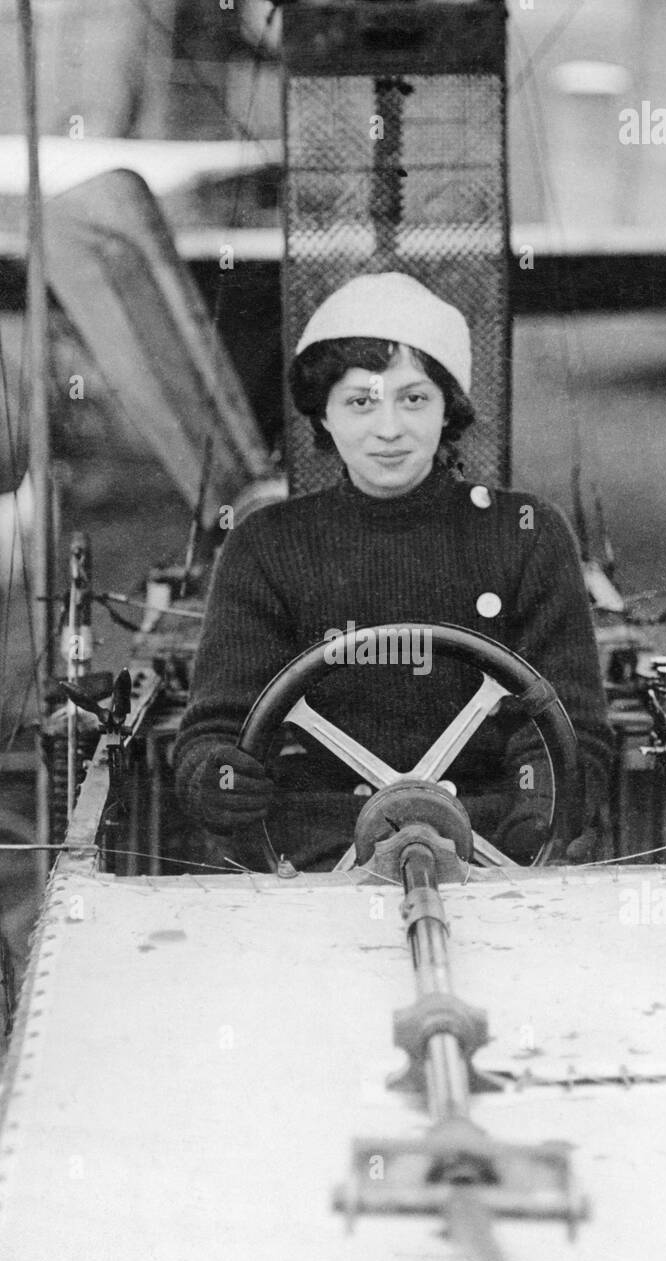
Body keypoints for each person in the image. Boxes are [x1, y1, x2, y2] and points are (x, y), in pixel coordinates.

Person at [172, 272, 613, 870]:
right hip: (317, 857)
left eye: (413, 398)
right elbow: (216, 731)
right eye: (360, 401)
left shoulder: (527, 533)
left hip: (492, 850)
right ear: (322, 415)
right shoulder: (266, 546)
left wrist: (536, 827)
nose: (388, 428)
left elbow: (569, 730)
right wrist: (217, 779)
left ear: (448, 409)